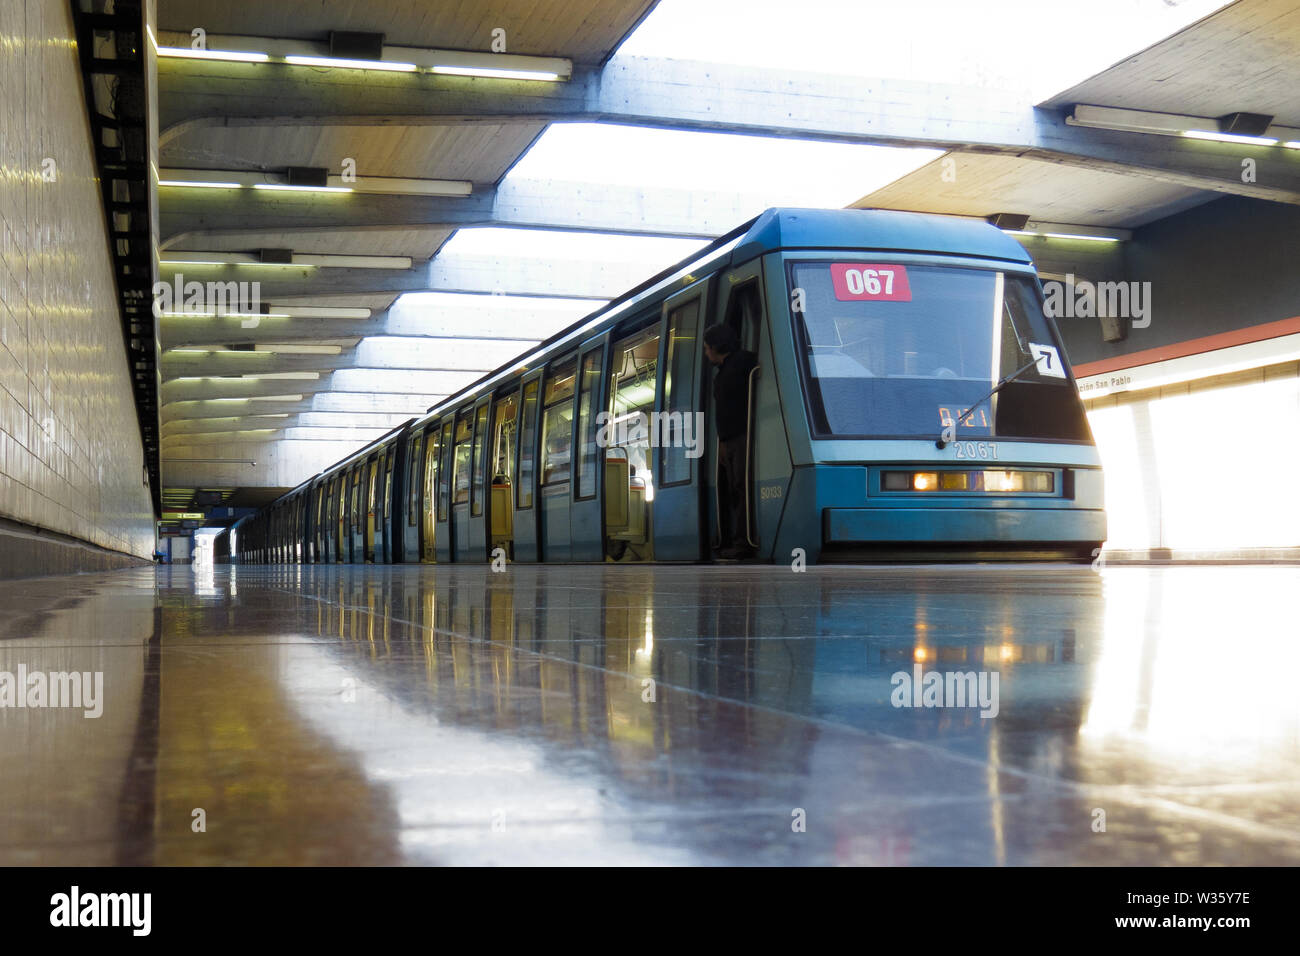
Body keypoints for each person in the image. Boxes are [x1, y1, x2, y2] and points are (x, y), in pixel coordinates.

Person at [704, 324, 758, 559]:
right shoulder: (729, 368)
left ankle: (743, 541)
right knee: (736, 487)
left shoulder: (742, 363)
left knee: (740, 487)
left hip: (740, 436)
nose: (706, 353)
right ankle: (737, 538)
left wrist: (726, 441)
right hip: (731, 438)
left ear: (716, 346)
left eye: (707, 348)